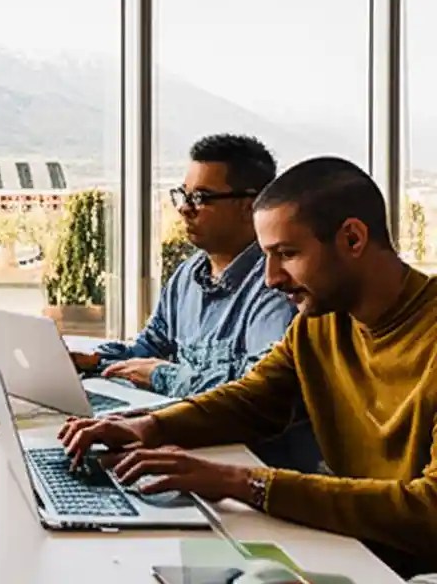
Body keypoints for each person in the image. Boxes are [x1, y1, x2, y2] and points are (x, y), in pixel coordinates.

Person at [59, 157, 437, 578]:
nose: (271, 278)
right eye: (267, 257)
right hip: (351, 549)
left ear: (352, 239)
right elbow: (253, 399)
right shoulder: (322, 323)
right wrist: (147, 427)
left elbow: (429, 510)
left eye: (287, 255)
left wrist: (244, 483)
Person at [72, 134, 296, 397]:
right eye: (182, 195)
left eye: (200, 198)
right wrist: (96, 361)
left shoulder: (277, 286)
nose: (184, 209)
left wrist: (161, 376)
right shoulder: (187, 276)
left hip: (241, 436)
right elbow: (150, 347)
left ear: (249, 207)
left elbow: (257, 389)